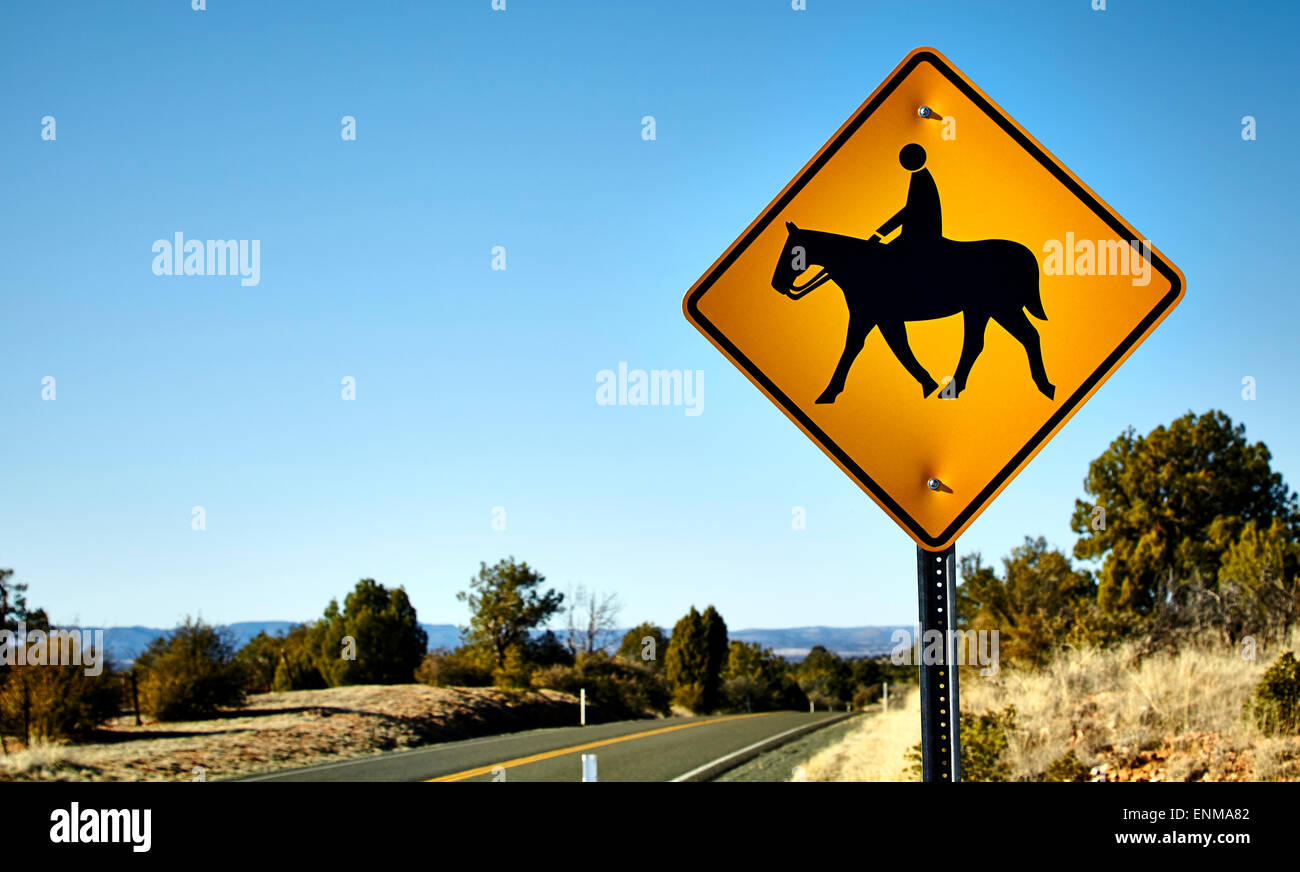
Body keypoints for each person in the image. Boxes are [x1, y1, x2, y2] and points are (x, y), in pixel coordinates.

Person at [871, 143, 941, 265]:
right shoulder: (919, 177)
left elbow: (909, 212)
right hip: (914, 235)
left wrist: (880, 233)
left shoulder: (923, 180)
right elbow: (909, 212)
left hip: (918, 237)